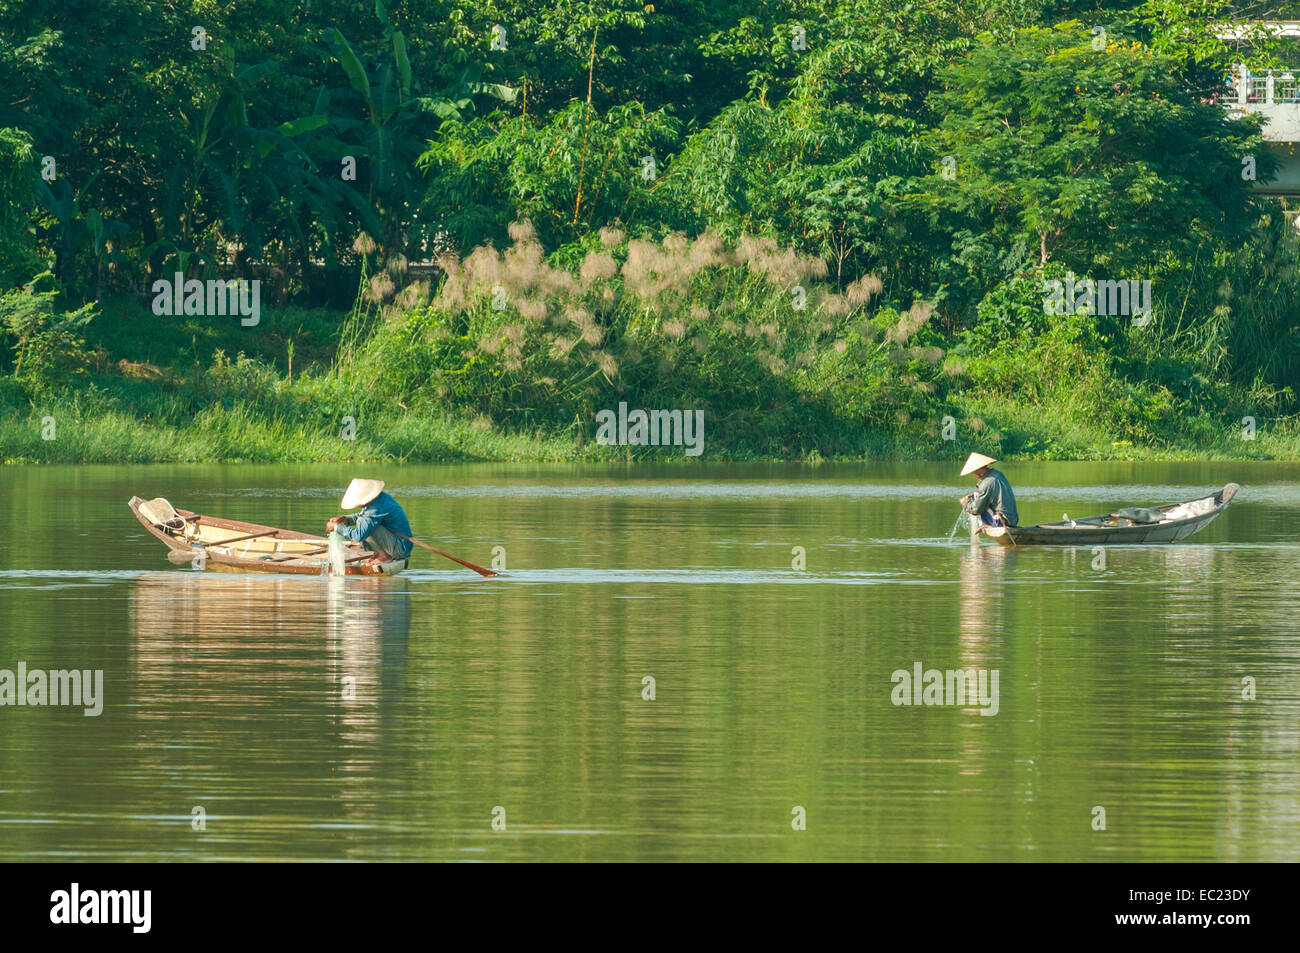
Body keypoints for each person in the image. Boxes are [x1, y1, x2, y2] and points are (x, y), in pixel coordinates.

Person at [327, 479, 414, 567]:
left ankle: (384, 556)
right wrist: (345, 519)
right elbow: (364, 515)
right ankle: (380, 553)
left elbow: (358, 536)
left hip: (400, 548)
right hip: (400, 544)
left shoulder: (375, 508)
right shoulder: (381, 498)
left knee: (363, 524)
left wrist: (336, 527)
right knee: (363, 521)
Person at [959, 453, 1018, 535]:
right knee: (977, 496)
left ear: (977, 470)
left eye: (973, 472)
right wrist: (976, 494)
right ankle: (991, 523)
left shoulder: (986, 483)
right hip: (1012, 519)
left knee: (978, 501)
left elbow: (976, 509)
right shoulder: (997, 474)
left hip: (1003, 521)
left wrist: (965, 502)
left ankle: (991, 525)